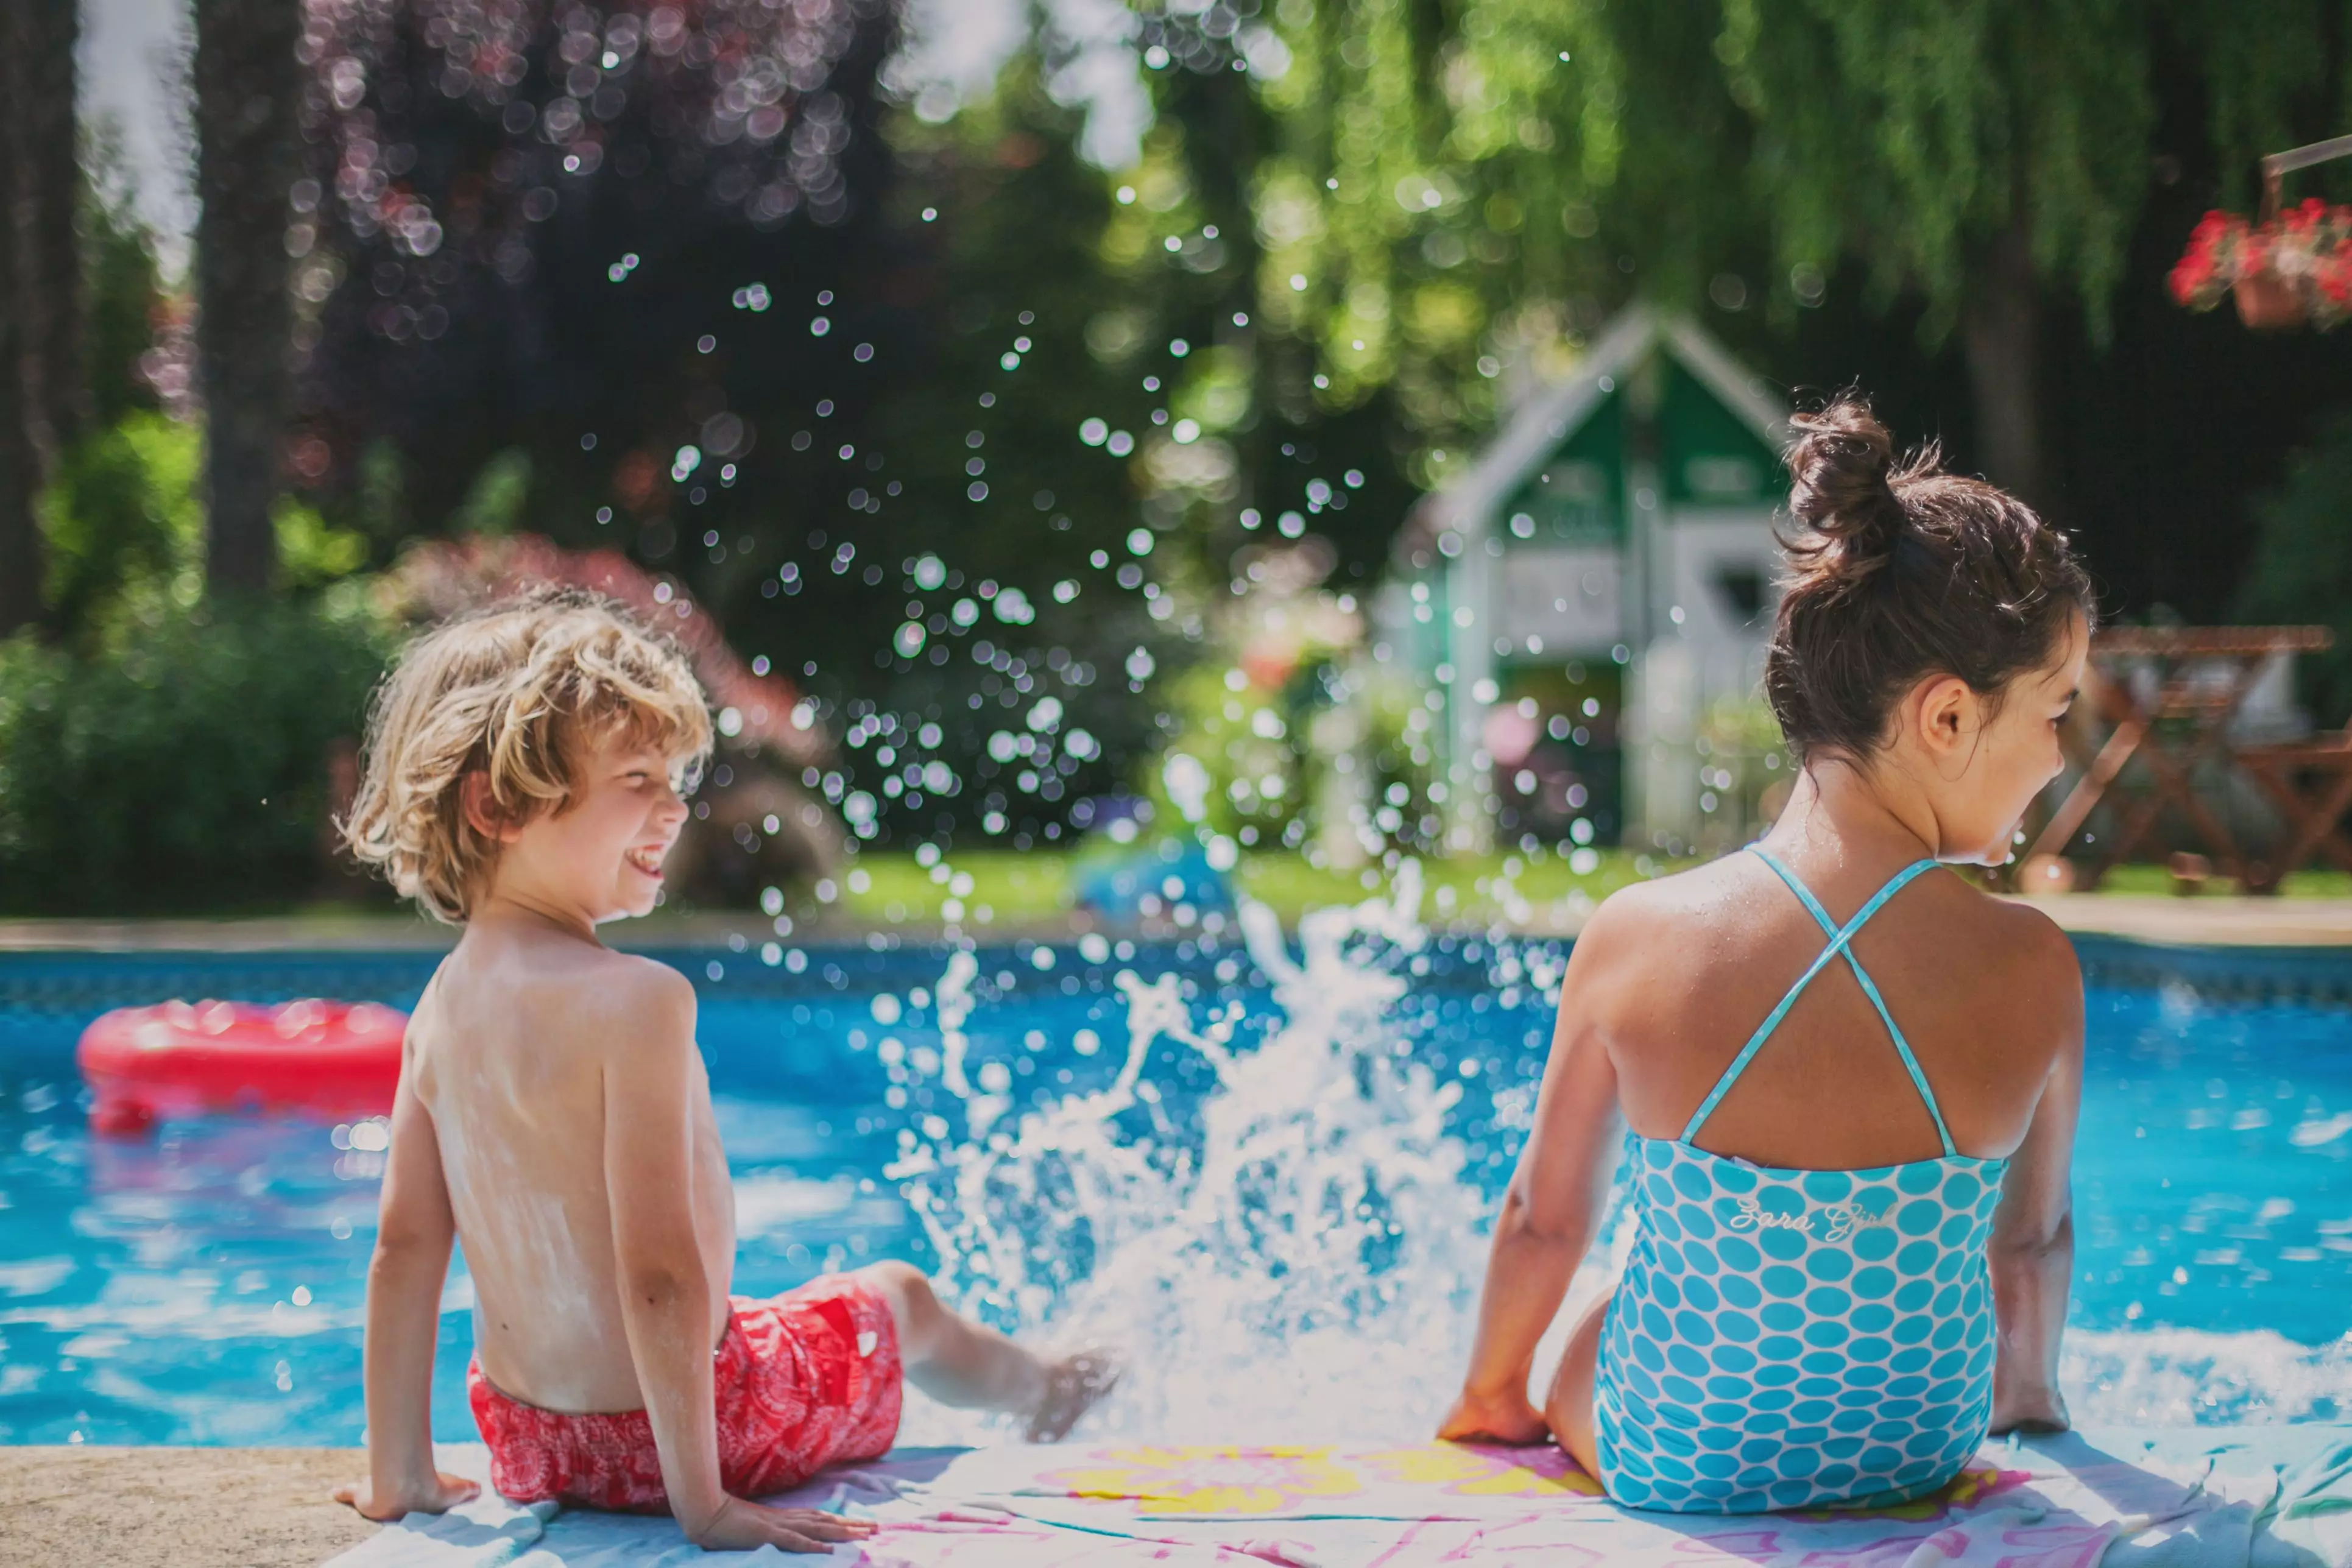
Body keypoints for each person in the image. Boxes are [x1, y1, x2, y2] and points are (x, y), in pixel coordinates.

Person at [330, 592, 1111, 1553]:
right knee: (899, 1295)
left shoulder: (440, 1007)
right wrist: (702, 1504)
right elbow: (659, 1273)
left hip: (528, 1442)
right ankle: (1051, 1392)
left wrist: (396, 1472)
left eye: (675, 776)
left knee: (765, 1315)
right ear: (498, 803)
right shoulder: (637, 999)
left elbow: (403, 1248)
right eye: (635, 775)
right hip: (707, 1437)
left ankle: (1048, 1386)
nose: (674, 805)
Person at [1438, 400, 2091, 1513]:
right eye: (2053, 712)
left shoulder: (1639, 935)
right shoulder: (2034, 964)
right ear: (1944, 718)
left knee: (1596, 1304)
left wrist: (1494, 1399)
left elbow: (1543, 1220)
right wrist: (2025, 1400)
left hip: (1677, 1454)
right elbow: (2027, 1245)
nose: (2056, 754)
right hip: (1921, 1444)